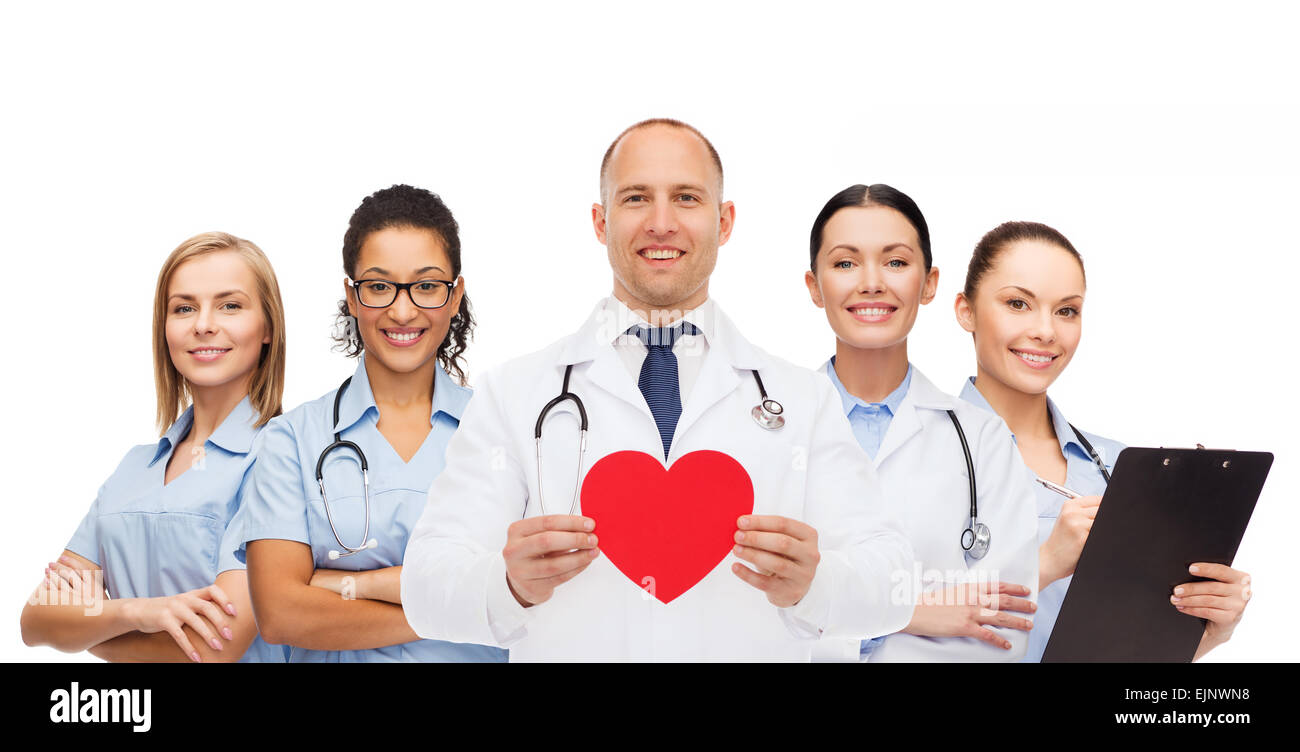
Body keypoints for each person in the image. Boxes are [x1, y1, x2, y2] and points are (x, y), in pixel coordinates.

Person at [400, 119, 914, 660]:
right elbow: (425, 586)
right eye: (636, 198)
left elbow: (892, 580)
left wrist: (818, 584)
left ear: (725, 220)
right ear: (601, 222)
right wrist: (507, 586)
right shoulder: (514, 393)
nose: (661, 223)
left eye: (686, 198)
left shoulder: (803, 399)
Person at [954, 220, 1253, 662]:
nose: (1046, 331)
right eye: (1018, 303)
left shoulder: (1119, 469)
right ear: (966, 311)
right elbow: (872, 630)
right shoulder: (909, 454)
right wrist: (1045, 563)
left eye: (1067, 310)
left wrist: (1205, 631)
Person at [238, 184, 505, 662]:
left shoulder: (503, 431)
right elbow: (280, 614)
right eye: (380, 286)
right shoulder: (292, 442)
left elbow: (529, 595)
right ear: (352, 296)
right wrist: (455, 608)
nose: (403, 311)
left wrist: (350, 586)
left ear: (455, 295)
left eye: (426, 286)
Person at [20, 232, 287, 662]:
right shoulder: (133, 468)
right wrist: (140, 611)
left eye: (230, 305)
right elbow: (35, 622)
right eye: (184, 308)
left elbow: (213, 646)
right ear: (164, 329)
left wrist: (91, 627)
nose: (203, 324)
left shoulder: (281, 459)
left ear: (268, 328)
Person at [803, 184, 1038, 662]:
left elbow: (1003, 627)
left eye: (895, 262)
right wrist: (915, 611)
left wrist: (835, 611)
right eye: (845, 263)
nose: (871, 282)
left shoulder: (983, 441)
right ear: (815, 286)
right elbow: (742, 617)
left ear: (928, 283)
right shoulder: (771, 428)